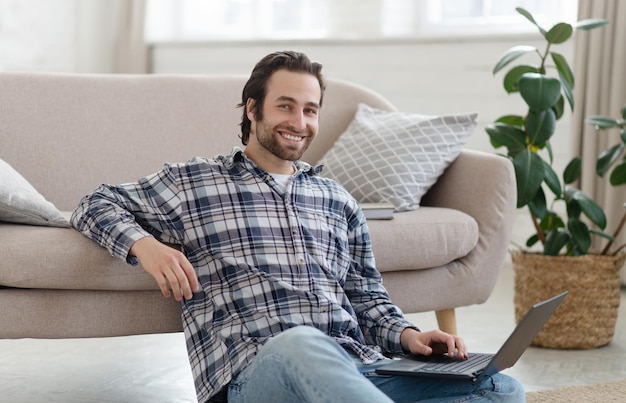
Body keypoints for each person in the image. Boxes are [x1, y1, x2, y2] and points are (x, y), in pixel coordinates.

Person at [71, 50, 525, 403]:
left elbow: (367, 299)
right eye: (285, 106)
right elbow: (95, 203)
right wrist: (146, 246)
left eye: (310, 110)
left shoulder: (337, 200)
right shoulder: (193, 182)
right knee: (302, 344)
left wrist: (410, 337)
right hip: (255, 376)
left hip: (356, 371)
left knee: (498, 387)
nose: (299, 122)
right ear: (253, 109)